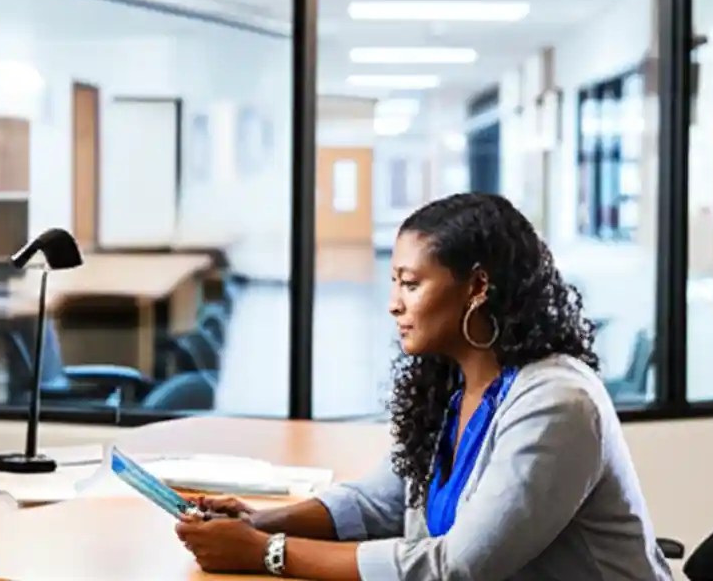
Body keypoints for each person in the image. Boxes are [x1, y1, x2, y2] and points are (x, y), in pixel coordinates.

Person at [174, 192, 672, 580]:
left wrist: (268, 554)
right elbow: (380, 503)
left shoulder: (558, 406)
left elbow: (456, 567)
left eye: (411, 284)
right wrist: (258, 523)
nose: (394, 303)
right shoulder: (453, 383)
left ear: (477, 287)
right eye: (394, 283)